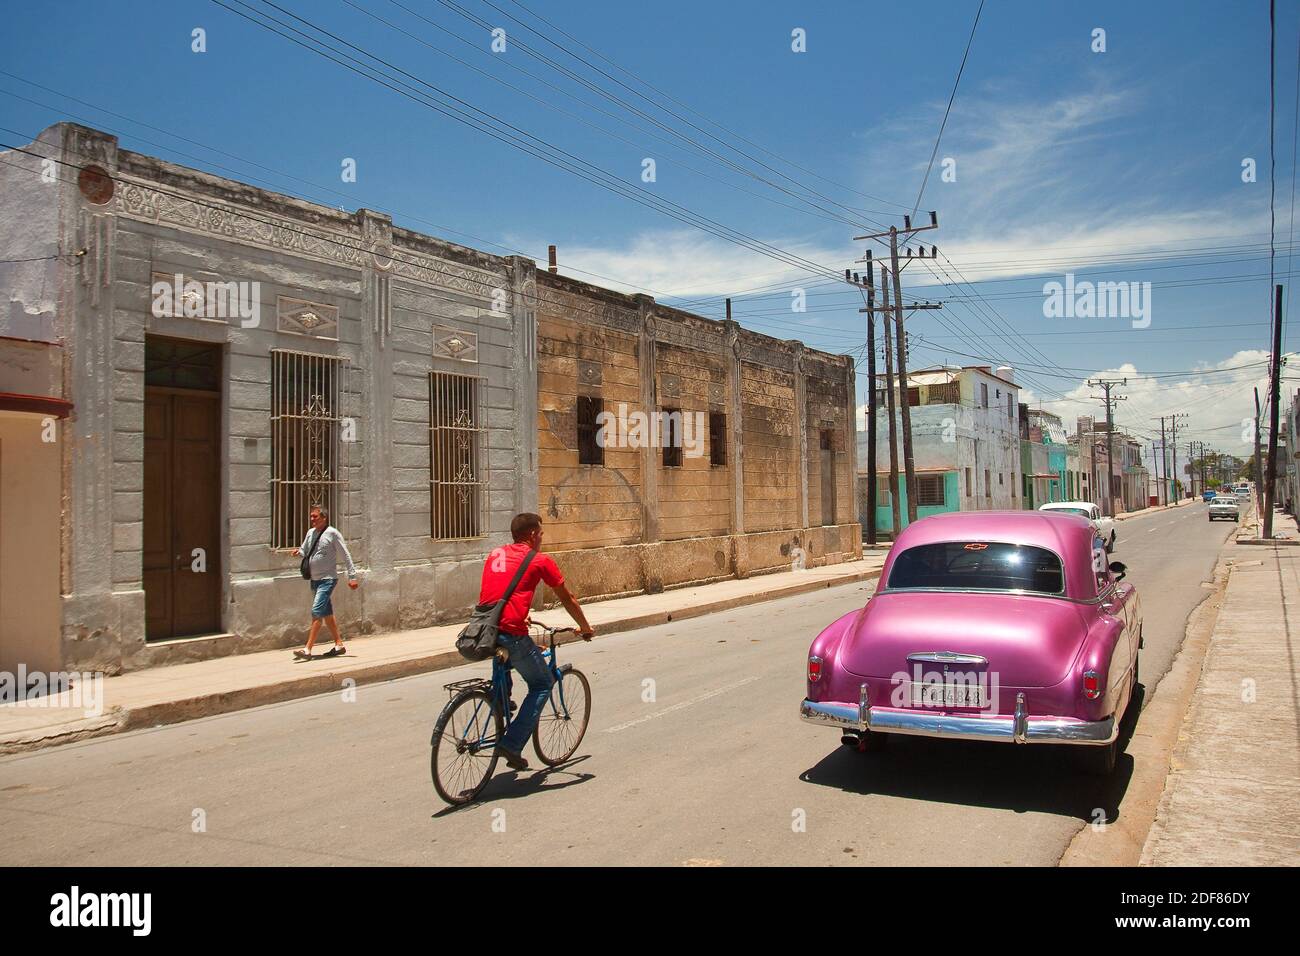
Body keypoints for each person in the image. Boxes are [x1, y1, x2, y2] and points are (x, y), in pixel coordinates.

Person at [480, 512, 594, 770]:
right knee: (542, 683)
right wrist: (585, 627)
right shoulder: (539, 560)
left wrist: (521, 614)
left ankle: (500, 701)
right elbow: (568, 598)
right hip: (510, 631)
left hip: (486, 628)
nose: (542, 539)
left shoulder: (496, 554)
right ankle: (511, 744)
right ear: (532, 535)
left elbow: (498, 591)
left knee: (509, 655)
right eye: (541, 534)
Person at [292, 506, 358, 660]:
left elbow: (346, 555)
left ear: (324, 517)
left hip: (327, 579)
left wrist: (352, 576)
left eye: (315, 516)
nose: (312, 519)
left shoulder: (333, 533)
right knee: (327, 614)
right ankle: (339, 644)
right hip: (314, 579)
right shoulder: (310, 533)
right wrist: (298, 552)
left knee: (316, 612)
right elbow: (305, 550)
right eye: (311, 516)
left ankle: (307, 649)